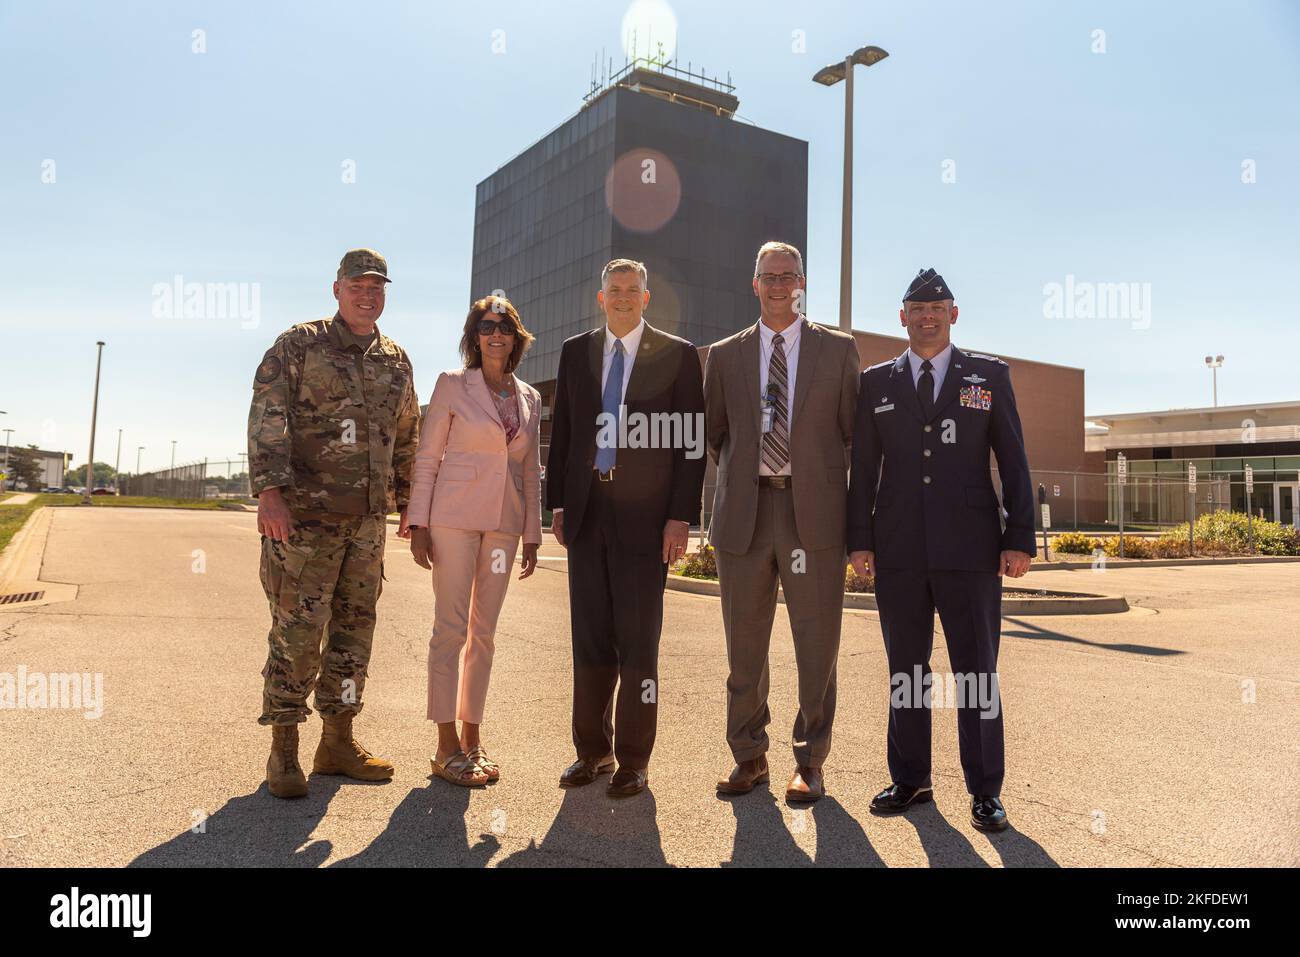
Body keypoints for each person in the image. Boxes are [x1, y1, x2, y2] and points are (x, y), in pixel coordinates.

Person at [847, 267, 1035, 832]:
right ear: (902, 316)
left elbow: (1015, 460)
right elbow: (864, 469)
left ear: (954, 315)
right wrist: (860, 539)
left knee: (975, 671)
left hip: (971, 550)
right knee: (907, 668)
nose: (927, 316)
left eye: (938, 308)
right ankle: (911, 779)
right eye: (916, 308)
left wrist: (1018, 539)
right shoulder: (876, 383)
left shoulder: (988, 376)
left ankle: (985, 791)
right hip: (899, 547)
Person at [249, 248, 421, 799]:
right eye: (358, 285)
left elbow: (407, 438)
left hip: (366, 526)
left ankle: (338, 741)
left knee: (353, 638)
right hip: (303, 522)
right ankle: (284, 750)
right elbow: (267, 419)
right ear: (336, 288)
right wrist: (270, 494)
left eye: (377, 287)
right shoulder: (298, 345)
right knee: (297, 634)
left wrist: (411, 505)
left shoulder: (396, 360)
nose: (368, 295)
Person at [705, 241, 861, 803]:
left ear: (801, 284)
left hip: (813, 515)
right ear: (754, 283)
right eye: (767, 276)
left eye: (787, 276)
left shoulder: (838, 352)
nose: (777, 285)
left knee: (816, 645)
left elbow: (852, 435)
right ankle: (749, 757)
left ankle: (811, 761)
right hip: (745, 515)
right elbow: (718, 435)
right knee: (744, 648)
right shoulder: (724, 356)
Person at [547, 258, 706, 798]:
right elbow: (564, 432)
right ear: (600, 297)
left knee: (639, 643)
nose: (621, 297)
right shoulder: (575, 353)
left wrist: (680, 516)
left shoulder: (678, 356)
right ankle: (591, 751)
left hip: (647, 520)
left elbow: (691, 445)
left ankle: (634, 761)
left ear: (645, 297)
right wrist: (559, 507)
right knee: (589, 639)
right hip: (588, 513)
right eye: (613, 289)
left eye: (631, 289)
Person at [406, 295, 542, 787]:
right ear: (474, 335)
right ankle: (445, 747)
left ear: (516, 337)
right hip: (453, 521)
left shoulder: (529, 396)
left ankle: (473, 739)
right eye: (486, 326)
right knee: (451, 629)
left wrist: (532, 533)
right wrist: (417, 522)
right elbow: (428, 457)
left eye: (505, 326)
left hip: (504, 527)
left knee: (484, 634)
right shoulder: (451, 385)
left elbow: (530, 469)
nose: (496, 334)